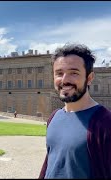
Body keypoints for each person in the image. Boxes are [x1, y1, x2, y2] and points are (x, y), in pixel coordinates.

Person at [39, 43, 111, 179]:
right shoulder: (54, 117)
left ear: (89, 78)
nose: (65, 80)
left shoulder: (105, 122)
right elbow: (51, 162)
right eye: (59, 73)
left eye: (74, 73)